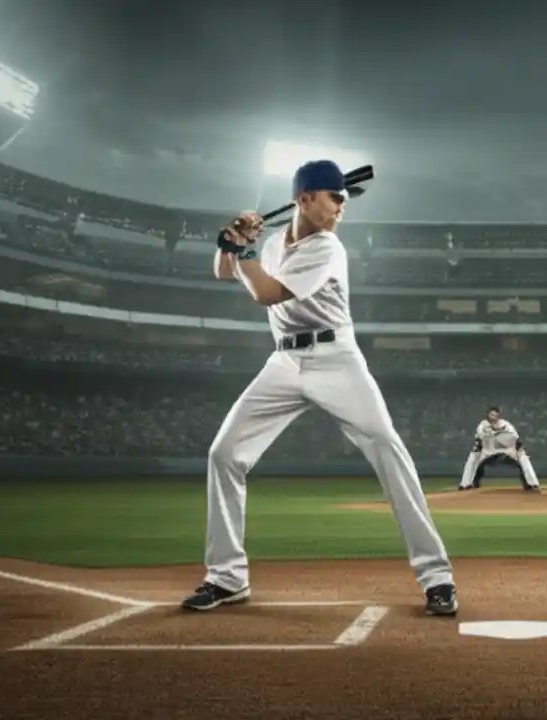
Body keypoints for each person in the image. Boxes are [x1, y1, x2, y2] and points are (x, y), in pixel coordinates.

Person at [182, 160, 459, 616]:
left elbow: (267, 294)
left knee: (389, 450)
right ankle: (226, 577)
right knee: (224, 453)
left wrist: (245, 252)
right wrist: (229, 242)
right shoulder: (273, 243)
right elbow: (222, 271)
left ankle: (437, 577)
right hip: (285, 361)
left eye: (343, 200)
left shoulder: (328, 247)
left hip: (337, 360)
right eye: (335, 197)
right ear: (304, 199)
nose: (342, 208)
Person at [458, 406, 541, 492]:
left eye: (495, 415)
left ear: (498, 416)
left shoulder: (506, 425)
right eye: (491, 414)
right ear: (487, 415)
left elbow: (516, 440)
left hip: (508, 450)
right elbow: (478, 441)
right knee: (473, 457)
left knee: (524, 457)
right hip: (487, 450)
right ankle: (465, 484)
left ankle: (532, 484)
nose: (493, 417)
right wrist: (477, 450)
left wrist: (519, 450)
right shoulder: (482, 426)